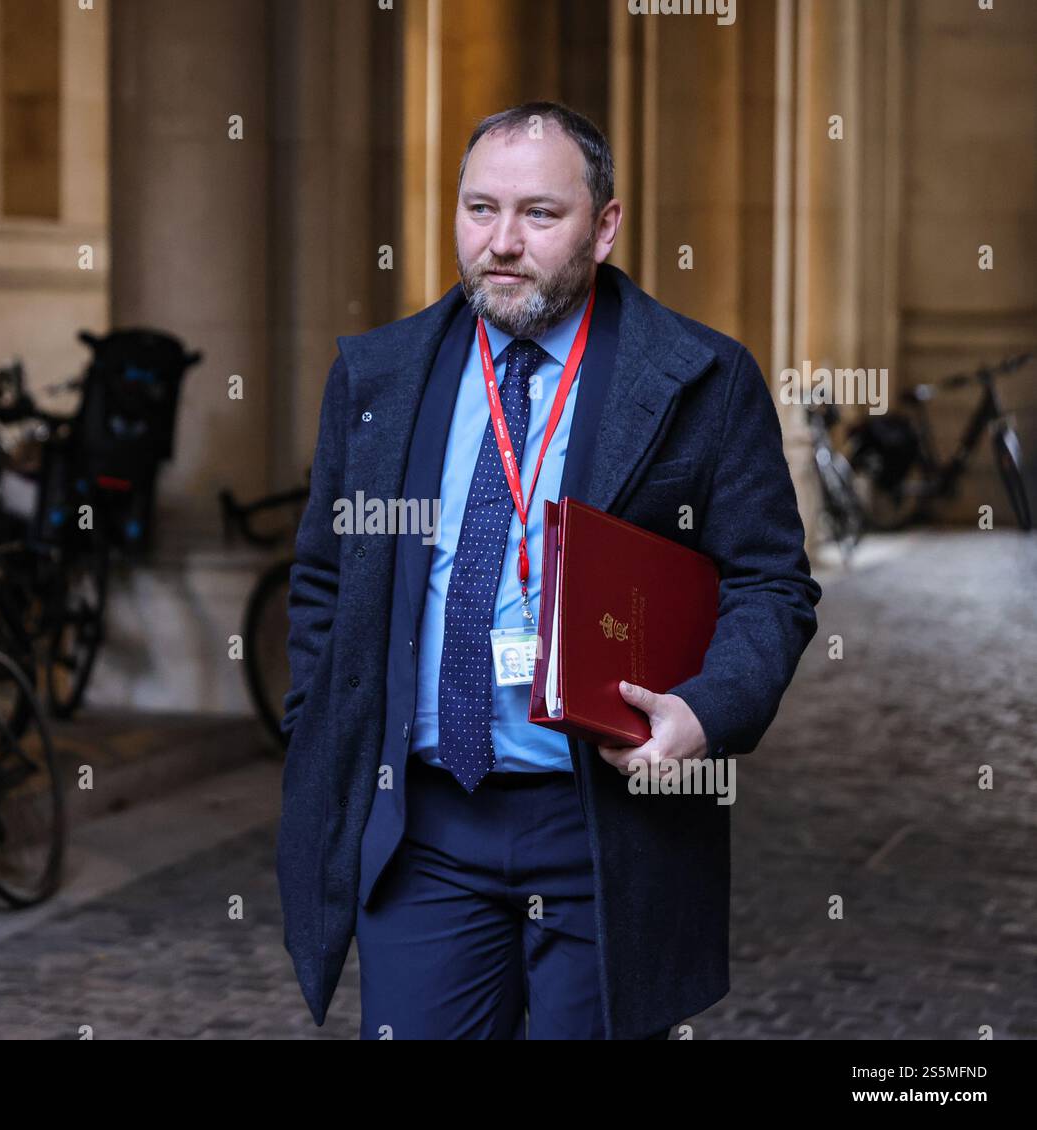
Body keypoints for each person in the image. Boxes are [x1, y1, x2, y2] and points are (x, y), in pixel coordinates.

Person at [276, 101, 821, 1039]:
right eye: (479, 209)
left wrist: (703, 712)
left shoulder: (703, 378)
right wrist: (323, 725)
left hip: (605, 827)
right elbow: (324, 579)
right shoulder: (378, 377)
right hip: (426, 835)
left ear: (604, 226)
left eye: (539, 213)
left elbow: (771, 585)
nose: (502, 243)